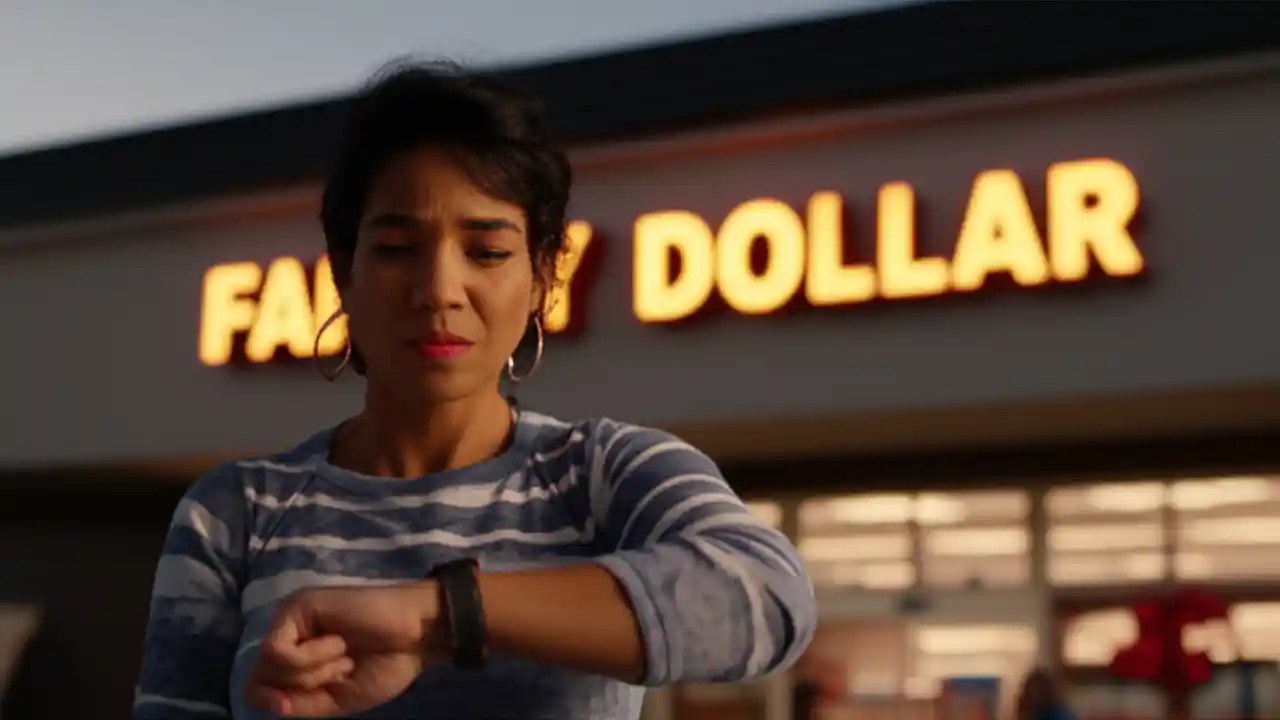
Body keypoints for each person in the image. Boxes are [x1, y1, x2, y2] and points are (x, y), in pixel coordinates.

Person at [132, 61, 816, 720]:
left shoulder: (600, 476)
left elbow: (768, 597)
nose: (438, 291)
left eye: (487, 252)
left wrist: (438, 614)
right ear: (344, 271)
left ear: (543, 276)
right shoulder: (238, 512)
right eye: (398, 250)